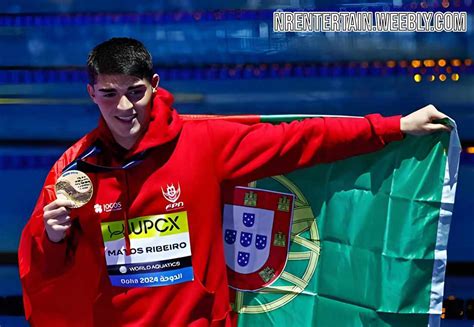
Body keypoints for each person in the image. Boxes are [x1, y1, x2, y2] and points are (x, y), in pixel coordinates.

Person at [18, 37, 451, 327]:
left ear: (154, 85)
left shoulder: (203, 143)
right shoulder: (76, 169)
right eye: (109, 94)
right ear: (91, 93)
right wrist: (52, 237)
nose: (124, 106)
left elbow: (300, 140)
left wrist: (393, 126)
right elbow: (44, 270)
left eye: (135, 91)